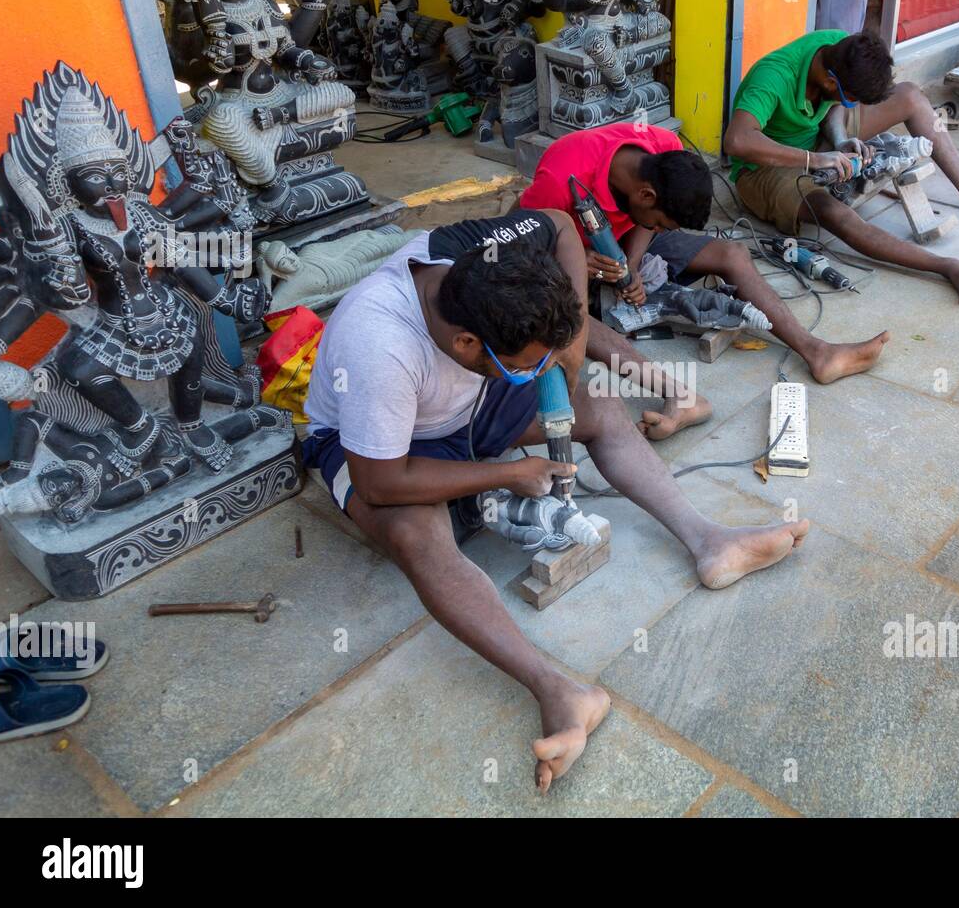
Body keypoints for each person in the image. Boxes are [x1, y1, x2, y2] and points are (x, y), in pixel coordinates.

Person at [301, 207, 809, 793]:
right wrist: (499, 477)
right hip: (376, 447)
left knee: (597, 408)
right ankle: (560, 693)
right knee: (416, 534)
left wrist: (568, 352)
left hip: (467, 402)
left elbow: (562, 226)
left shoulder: (470, 250)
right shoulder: (380, 346)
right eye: (527, 365)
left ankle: (709, 541)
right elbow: (380, 483)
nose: (541, 372)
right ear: (467, 343)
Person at [519, 123, 893, 414]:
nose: (662, 228)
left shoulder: (664, 145)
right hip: (573, 255)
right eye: (664, 223)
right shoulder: (560, 178)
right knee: (576, 317)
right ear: (646, 195)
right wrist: (577, 261)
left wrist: (631, 266)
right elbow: (517, 248)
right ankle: (675, 394)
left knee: (732, 254)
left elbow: (649, 224)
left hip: (631, 233)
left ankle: (817, 351)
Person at [722, 31, 959, 306]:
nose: (855, 104)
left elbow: (838, 105)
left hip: (815, 139)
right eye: (853, 98)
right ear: (829, 80)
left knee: (910, 95)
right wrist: (813, 160)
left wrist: (839, 139)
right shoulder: (773, 76)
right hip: (763, 168)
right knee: (835, 214)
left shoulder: (840, 47)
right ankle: (945, 266)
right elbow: (737, 140)